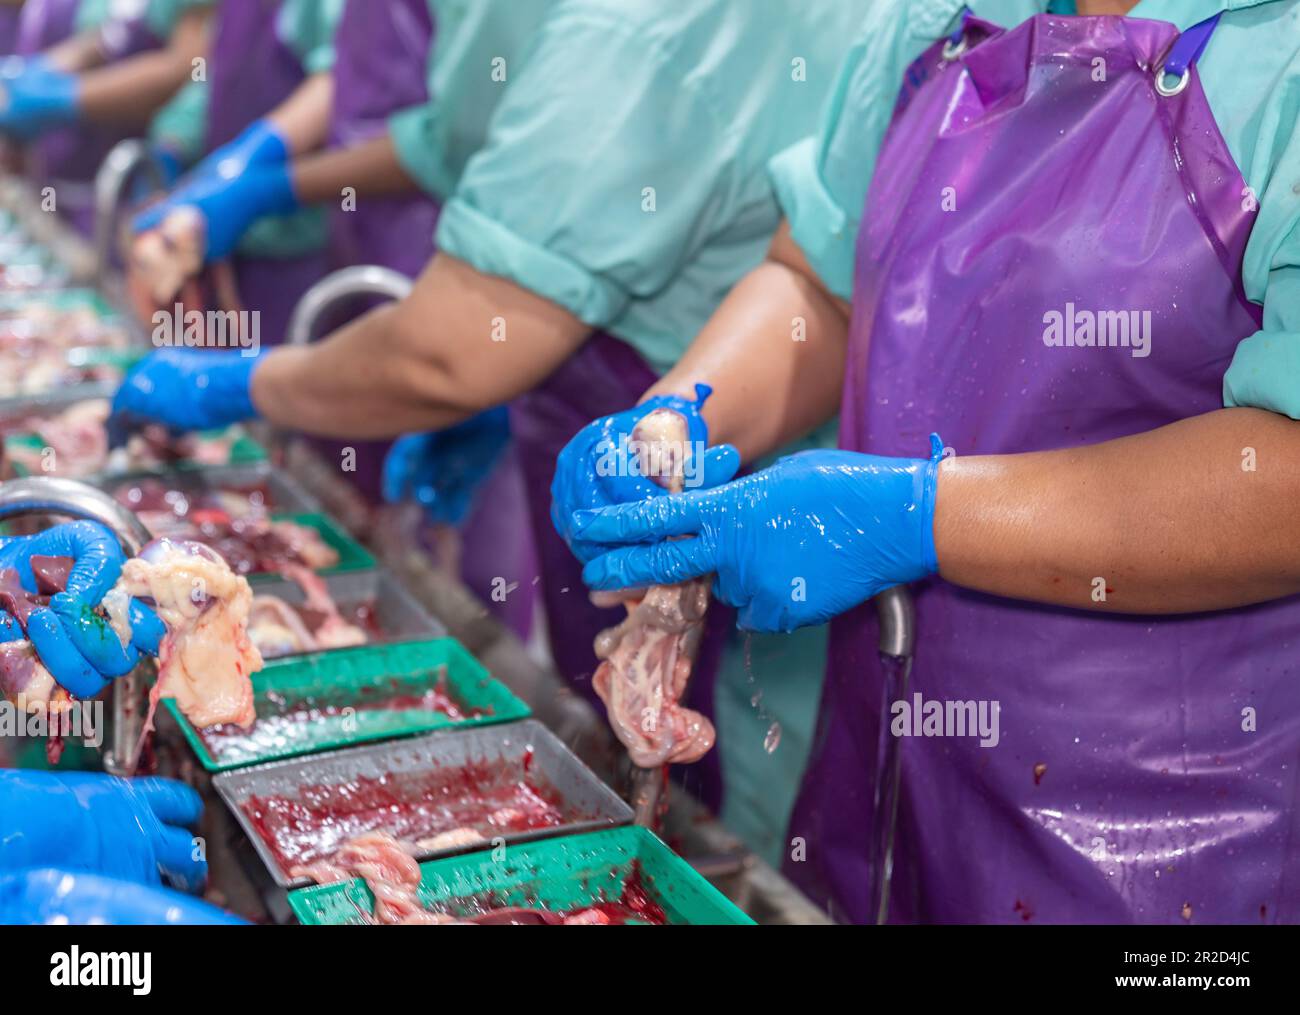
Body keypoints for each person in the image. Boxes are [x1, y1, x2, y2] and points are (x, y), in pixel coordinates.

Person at [566, 0, 1300, 923]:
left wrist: (921, 517)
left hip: (1165, 837)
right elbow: (818, 282)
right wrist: (676, 416)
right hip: (890, 756)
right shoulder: (933, 24)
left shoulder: (1278, 69)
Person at [109, 0, 864, 842]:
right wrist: (269, 178)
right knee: (631, 758)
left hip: (737, 488)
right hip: (608, 380)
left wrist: (238, 382)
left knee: (703, 814)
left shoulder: (635, 36)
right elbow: (458, 137)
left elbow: (441, 355)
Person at [1, 0, 214, 233]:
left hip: (130, 181)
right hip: (64, 183)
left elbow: (189, 67)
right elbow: (108, 38)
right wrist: (36, 74)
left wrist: (64, 97)